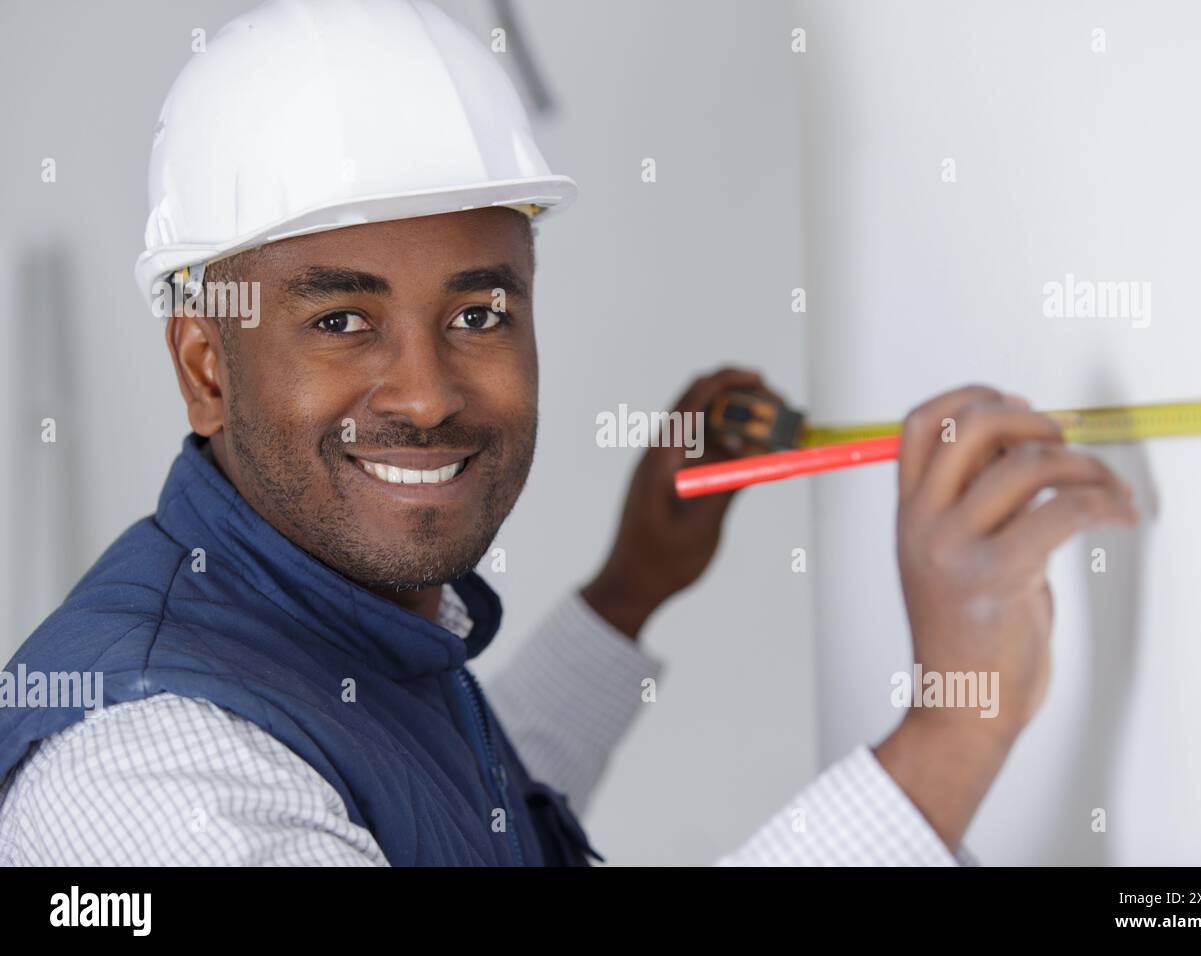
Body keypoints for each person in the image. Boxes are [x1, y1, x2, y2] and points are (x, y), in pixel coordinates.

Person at [0, 0, 1137, 866]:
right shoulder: (150, 781)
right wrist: (950, 730)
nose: (426, 391)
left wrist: (630, 586)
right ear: (207, 365)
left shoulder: (327, 627)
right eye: (340, 319)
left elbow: (459, 807)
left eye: (477, 312)